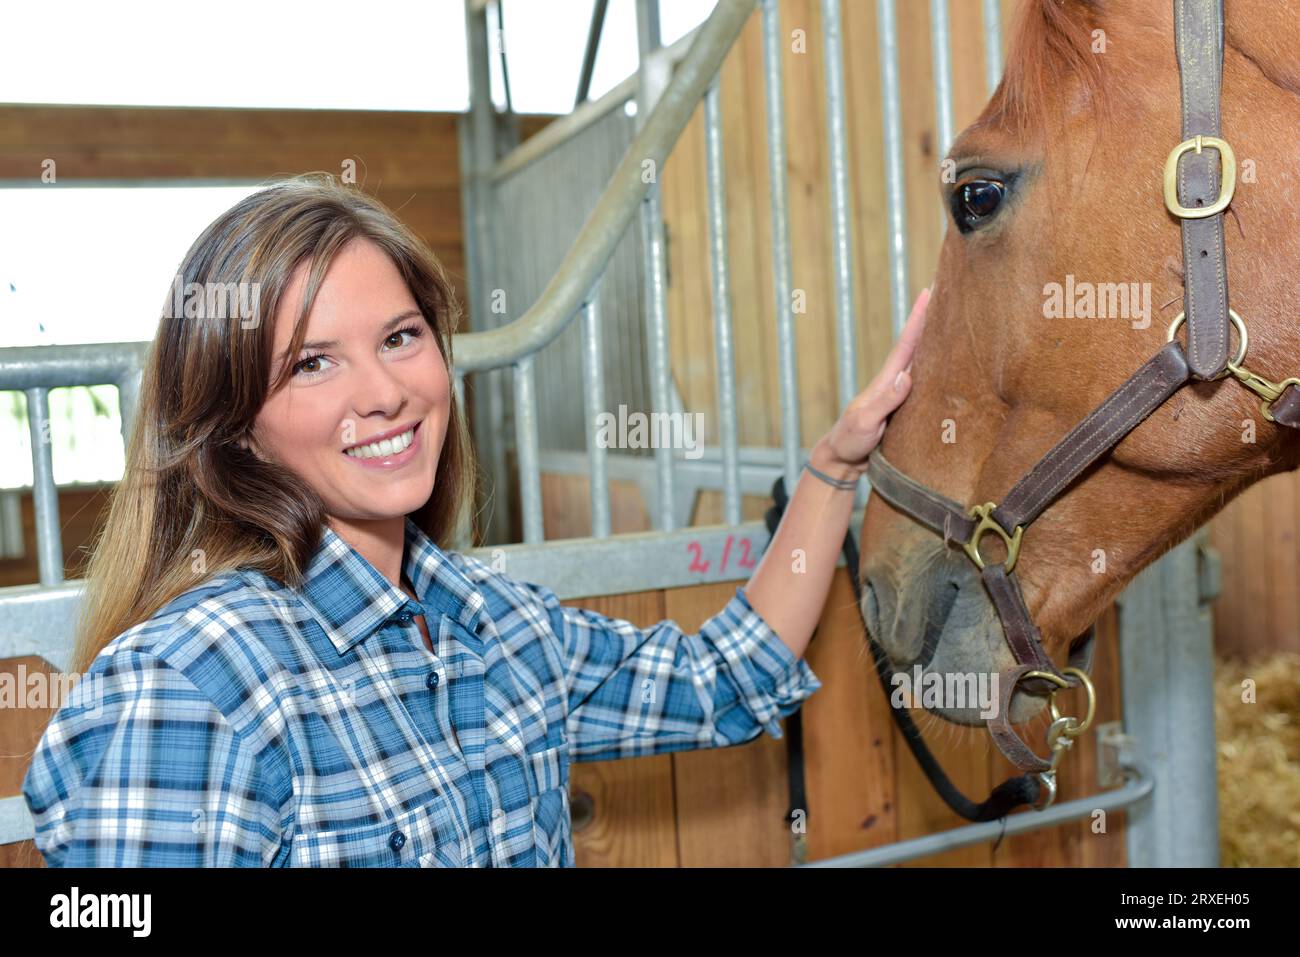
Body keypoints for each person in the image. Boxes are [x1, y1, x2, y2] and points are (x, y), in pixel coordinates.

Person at [22, 173, 927, 867]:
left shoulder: (493, 623)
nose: (385, 394)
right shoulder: (192, 683)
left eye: (400, 337)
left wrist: (833, 469)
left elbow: (721, 681)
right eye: (311, 364)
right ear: (236, 430)